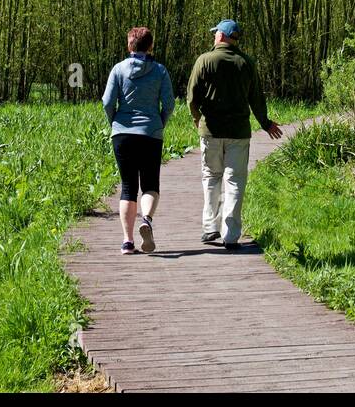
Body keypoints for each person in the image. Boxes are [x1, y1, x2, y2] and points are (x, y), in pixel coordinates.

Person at [186, 19, 283, 250]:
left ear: (221, 35)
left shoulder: (204, 60)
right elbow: (256, 99)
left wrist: (197, 118)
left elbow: (192, 96)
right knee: (235, 180)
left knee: (211, 177)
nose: (214, 36)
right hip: (239, 133)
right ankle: (231, 235)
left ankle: (210, 227)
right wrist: (266, 123)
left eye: (215, 33)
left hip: (211, 131)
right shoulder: (247, 63)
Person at [101, 26, 175, 255]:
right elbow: (170, 103)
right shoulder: (160, 71)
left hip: (122, 133)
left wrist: (116, 122)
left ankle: (127, 241)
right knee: (150, 184)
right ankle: (147, 219)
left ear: (129, 45)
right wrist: (158, 123)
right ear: (150, 46)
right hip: (151, 133)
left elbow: (107, 102)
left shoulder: (118, 69)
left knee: (128, 187)